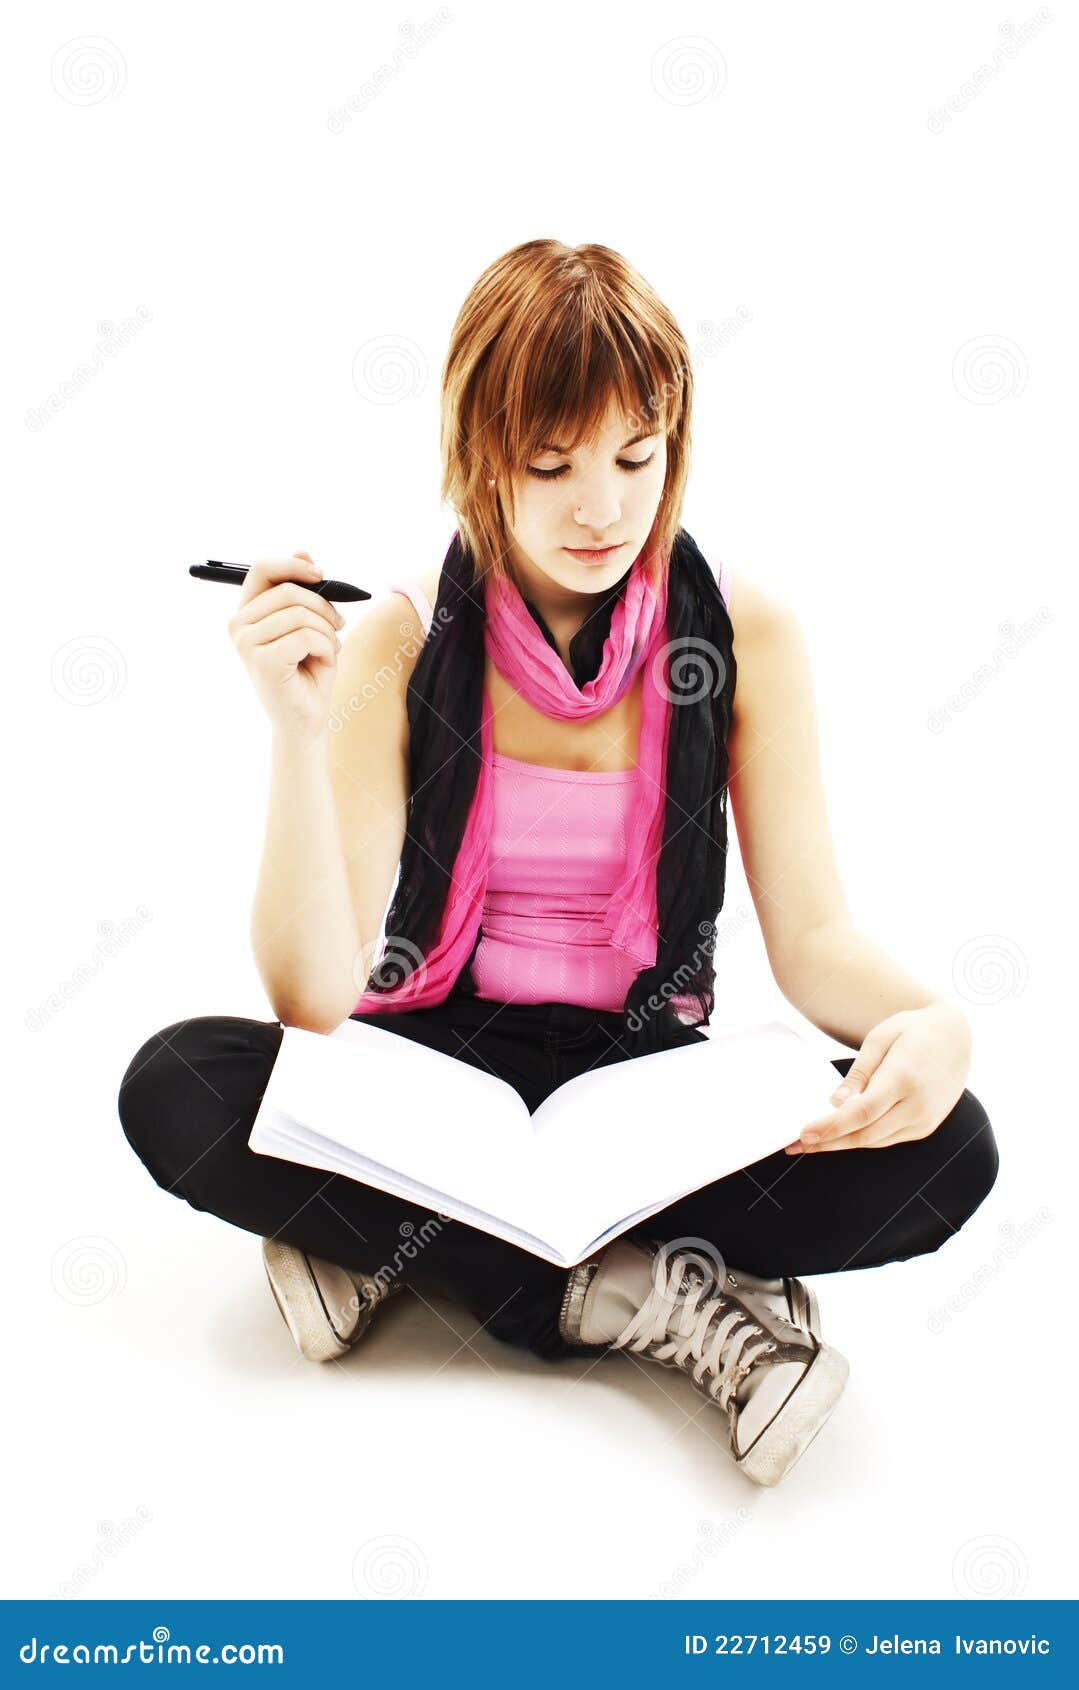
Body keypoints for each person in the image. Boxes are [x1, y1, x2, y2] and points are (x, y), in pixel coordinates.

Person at [117, 240, 998, 1488]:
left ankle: (397, 1246)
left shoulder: (744, 631)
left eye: (636, 459)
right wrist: (297, 736)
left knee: (944, 1144)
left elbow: (809, 941)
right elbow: (314, 997)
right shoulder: (405, 633)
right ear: (479, 455)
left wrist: (930, 1018)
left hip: (638, 1076)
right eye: (550, 464)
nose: (602, 507)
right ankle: (634, 1290)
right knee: (180, 1083)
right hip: (433, 1063)